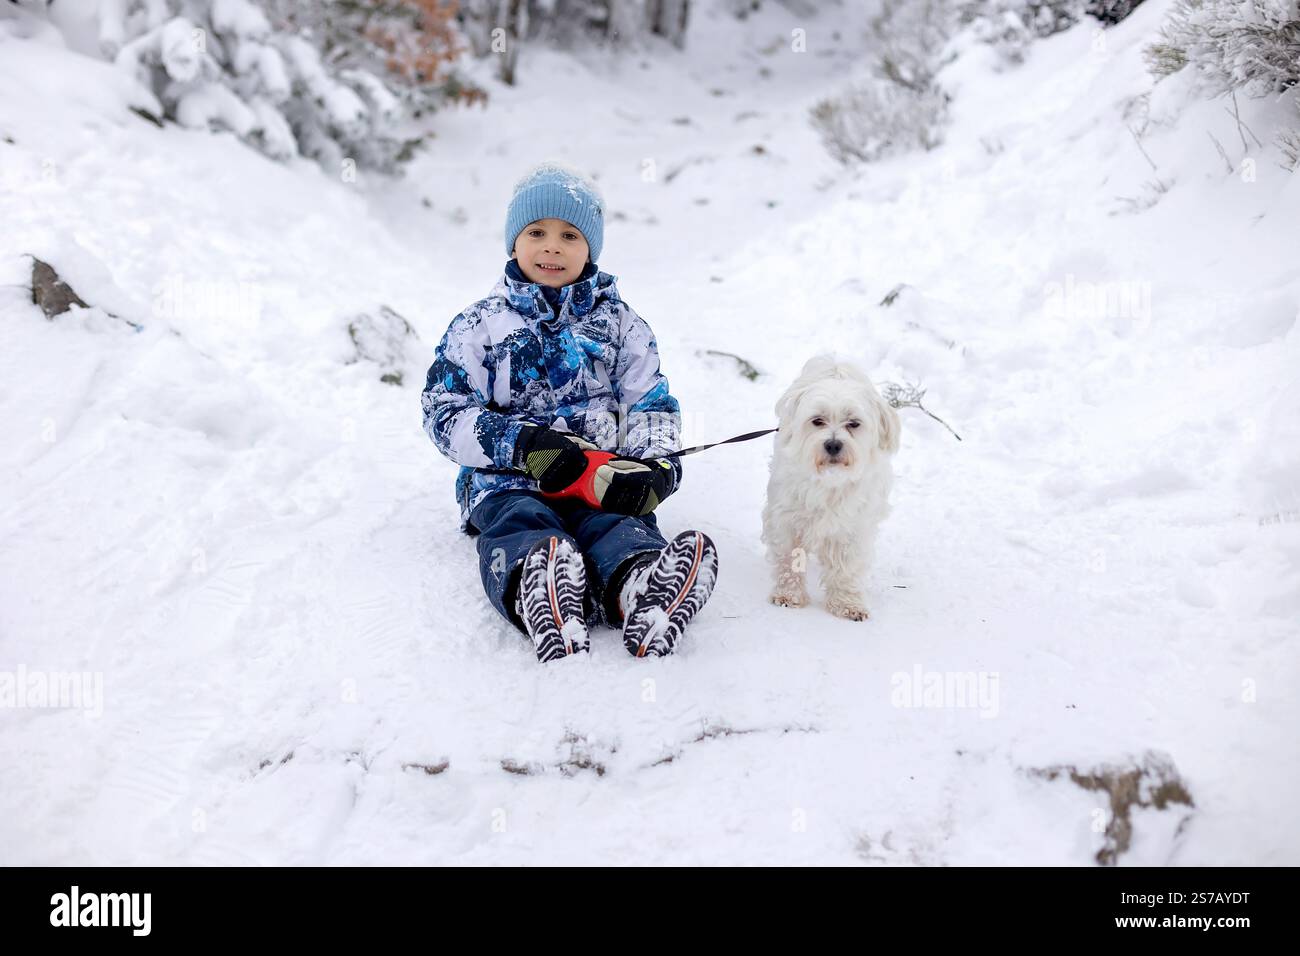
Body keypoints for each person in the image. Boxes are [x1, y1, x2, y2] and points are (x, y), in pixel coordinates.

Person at [421, 161, 718, 662]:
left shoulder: (622, 326)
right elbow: (444, 411)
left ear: (591, 250)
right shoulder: (482, 324)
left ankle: (640, 589)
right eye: (536, 231)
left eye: (570, 235)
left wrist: (659, 467)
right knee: (522, 521)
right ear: (513, 243)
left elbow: (649, 403)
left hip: (596, 473)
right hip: (510, 478)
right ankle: (536, 587)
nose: (552, 246)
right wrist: (521, 445)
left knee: (617, 523)